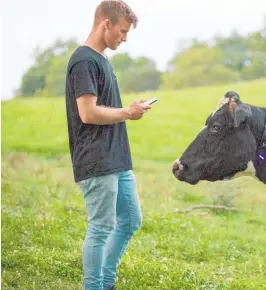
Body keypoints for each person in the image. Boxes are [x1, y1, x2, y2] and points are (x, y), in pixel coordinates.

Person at [64, 1, 150, 289]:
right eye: (123, 31)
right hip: (97, 160)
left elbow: (106, 108)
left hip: (118, 159)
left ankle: (107, 281)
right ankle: (94, 286)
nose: (124, 38)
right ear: (106, 24)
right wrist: (127, 112)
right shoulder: (85, 61)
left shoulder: (102, 60)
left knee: (130, 220)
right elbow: (87, 113)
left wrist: (129, 109)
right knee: (101, 227)